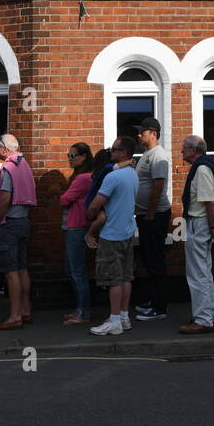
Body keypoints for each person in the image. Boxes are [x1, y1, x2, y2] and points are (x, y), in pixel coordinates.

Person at [87, 136, 139, 336]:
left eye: (114, 150)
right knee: (126, 277)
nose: (110, 152)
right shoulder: (131, 174)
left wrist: (90, 215)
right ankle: (124, 317)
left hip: (112, 233)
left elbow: (96, 204)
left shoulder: (113, 177)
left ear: (124, 153)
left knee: (113, 279)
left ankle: (115, 320)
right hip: (127, 230)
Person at [0, 133, 37, 330]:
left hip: (9, 222)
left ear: (5, 148)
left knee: (11, 272)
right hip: (23, 220)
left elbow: (4, 198)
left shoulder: (8, 168)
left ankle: (15, 316)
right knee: (21, 267)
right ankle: (25, 311)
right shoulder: (24, 163)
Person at [178, 135, 214, 334]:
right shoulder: (205, 166)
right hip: (202, 223)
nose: (181, 152)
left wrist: (213, 226)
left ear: (194, 150)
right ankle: (210, 314)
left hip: (200, 223)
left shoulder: (202, 169)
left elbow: (209, 201)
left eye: (184, 149)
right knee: (203, 271)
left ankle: (203, 319)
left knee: (197, 274)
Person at [133, 118, 171, 322]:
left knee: (155, 261)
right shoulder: (147, 154)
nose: (139, 135)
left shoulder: (158, 155)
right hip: (146, 215)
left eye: (142, 132)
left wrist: (149, 213)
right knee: (149, 260)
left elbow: (157, 186)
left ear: (153, 133)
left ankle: (159, 307)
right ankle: (154, 301)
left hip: (154, 216)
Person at [58, 142, 94, 325]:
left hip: (77, 227)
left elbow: (65, 200)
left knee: (77, 271)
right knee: (72, 270)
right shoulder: (81, 176)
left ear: (84, 156)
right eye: (69, 155)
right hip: (75, 226)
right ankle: (80, 309)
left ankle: (84, 313)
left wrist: (64, 195)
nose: (70, 159)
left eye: (73, 156)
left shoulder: (83, 178)